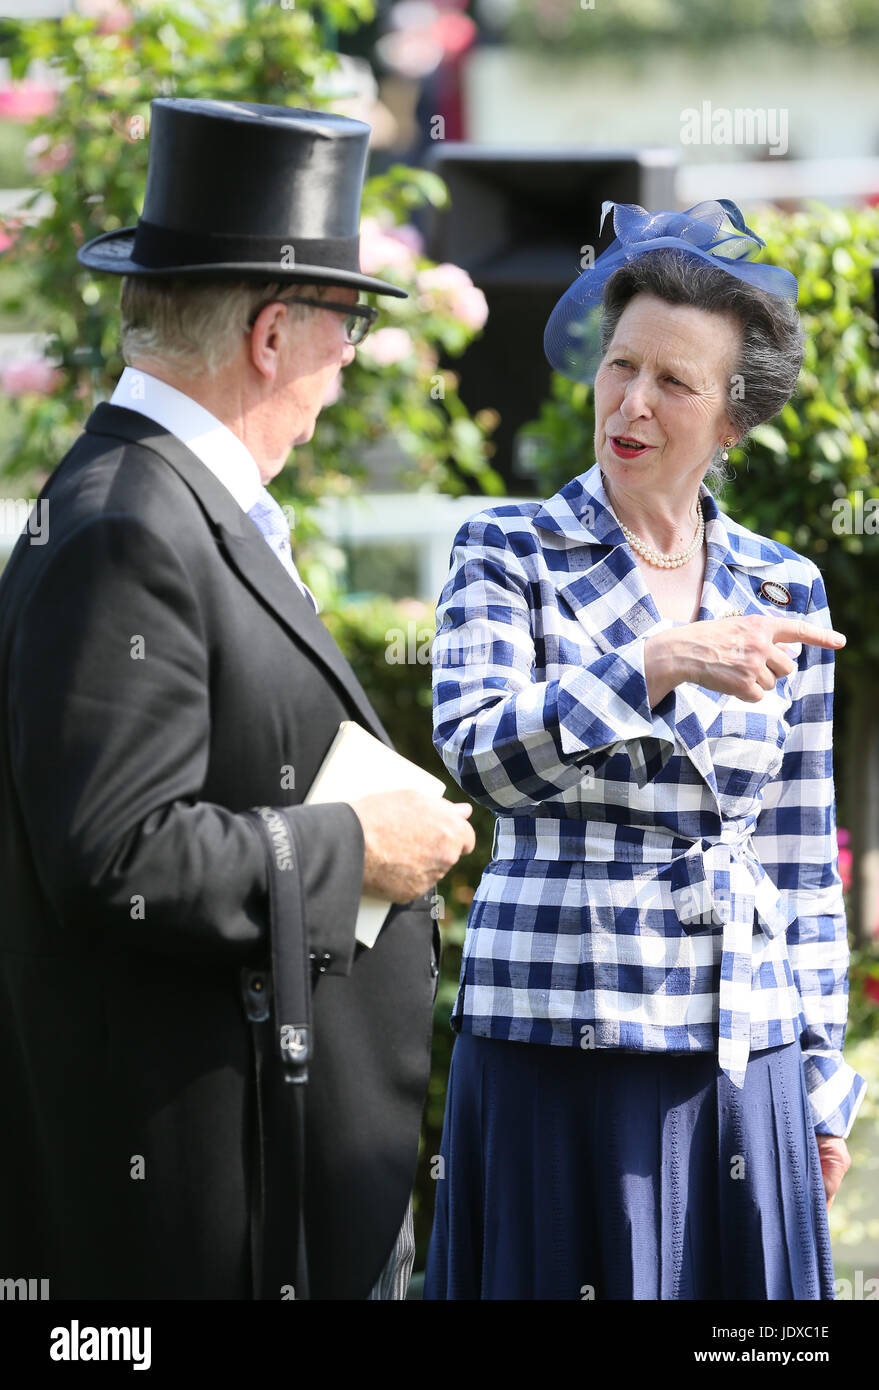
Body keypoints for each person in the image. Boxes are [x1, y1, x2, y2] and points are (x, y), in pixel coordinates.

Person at [0, 97, 475, 1300]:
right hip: (203, 1219)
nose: (350, 359)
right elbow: (118, 857)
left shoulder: (153, 501)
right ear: (273, 333)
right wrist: (359, 847)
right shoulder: (128, 525)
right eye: (345, 326)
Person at [424, 198, 867, 1301]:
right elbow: (478, 754)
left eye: (674, 382)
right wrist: (653, 662)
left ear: (732, 417)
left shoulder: (783, 587)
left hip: (739, 1054)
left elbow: (802, 859)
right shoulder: (507, 547)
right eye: (621, 367)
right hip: (556, 1047)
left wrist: (819, 1081)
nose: (631, 403)